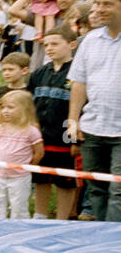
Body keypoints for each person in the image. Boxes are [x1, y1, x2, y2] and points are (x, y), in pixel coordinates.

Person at [66, 0, 121, 222]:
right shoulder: (89, 40)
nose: (98, 9)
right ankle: (99, 240)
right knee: (96, 188)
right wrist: (73, 121)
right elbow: (79, 82)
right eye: (97, 3)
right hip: (92, 128)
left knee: (118, 191)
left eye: (107, 4)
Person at [29, 24, 76, 219]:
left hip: (65, 137)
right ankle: (40, 215)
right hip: (41, 138)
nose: (49, 48)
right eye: (46, 44)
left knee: (65, 180)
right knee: (41, 177)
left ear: (72, 44)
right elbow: (28, 103)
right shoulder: (39, 73)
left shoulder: (77, 74)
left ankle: (63, 218)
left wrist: (75, 140)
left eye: (55, 43)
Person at [0, 91, 42, 220]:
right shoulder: (0, 128)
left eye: (10, 107)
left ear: (24, 109)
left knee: (19, 206)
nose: (5, 111)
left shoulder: (31, 131)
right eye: (3, 107)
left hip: (19, 177)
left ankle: (19, 229)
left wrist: (28, 167)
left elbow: (39, 152)